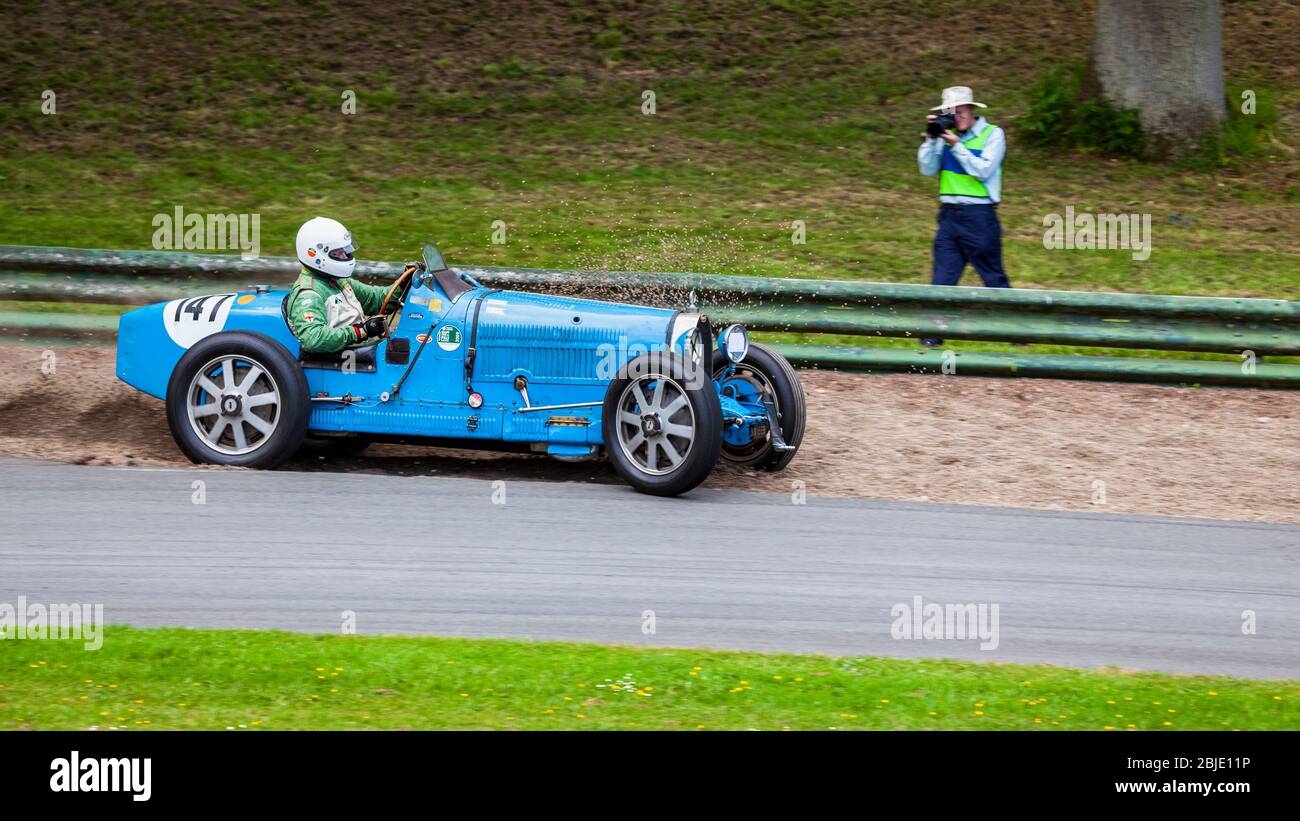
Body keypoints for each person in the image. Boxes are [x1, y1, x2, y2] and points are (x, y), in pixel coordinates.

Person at [916, 86, 1009, 346]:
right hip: (948, 217)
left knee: (993, 277)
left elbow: (983, 171)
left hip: (979, 216)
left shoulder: (993, 134)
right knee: (942, 279)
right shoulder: (945, 138)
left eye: (959, 110)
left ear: (971, 110)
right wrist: (932, 138)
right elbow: (926, 170)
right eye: (950, 112)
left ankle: (1016, 332)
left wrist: (956, 145)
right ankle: (931, 338)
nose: (956, 116)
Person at [287, 216, 393, 353]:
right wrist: (360, 331)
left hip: (361, 351)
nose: (344, 256)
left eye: (345, 251)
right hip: (343, 361)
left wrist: (403, 284)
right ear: (315, 255)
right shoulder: (309, 295)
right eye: (338, 253)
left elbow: (375, 299)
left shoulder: (338, 281)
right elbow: (313, 339)